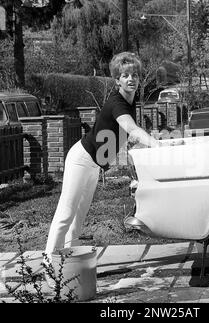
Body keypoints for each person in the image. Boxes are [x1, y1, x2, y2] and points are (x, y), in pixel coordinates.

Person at [44, 52, 160, 266]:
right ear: (117, 80)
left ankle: (69, 265)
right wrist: (157, 145)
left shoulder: (130, 100)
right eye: (125, 75)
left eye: (134, 74)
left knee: (79, 217)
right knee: (66, 213)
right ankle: (48, 262)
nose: (130, 79)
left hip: (94, 165)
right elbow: (131, 129)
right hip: (81, 159)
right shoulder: (118, 102)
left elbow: (122, 133)